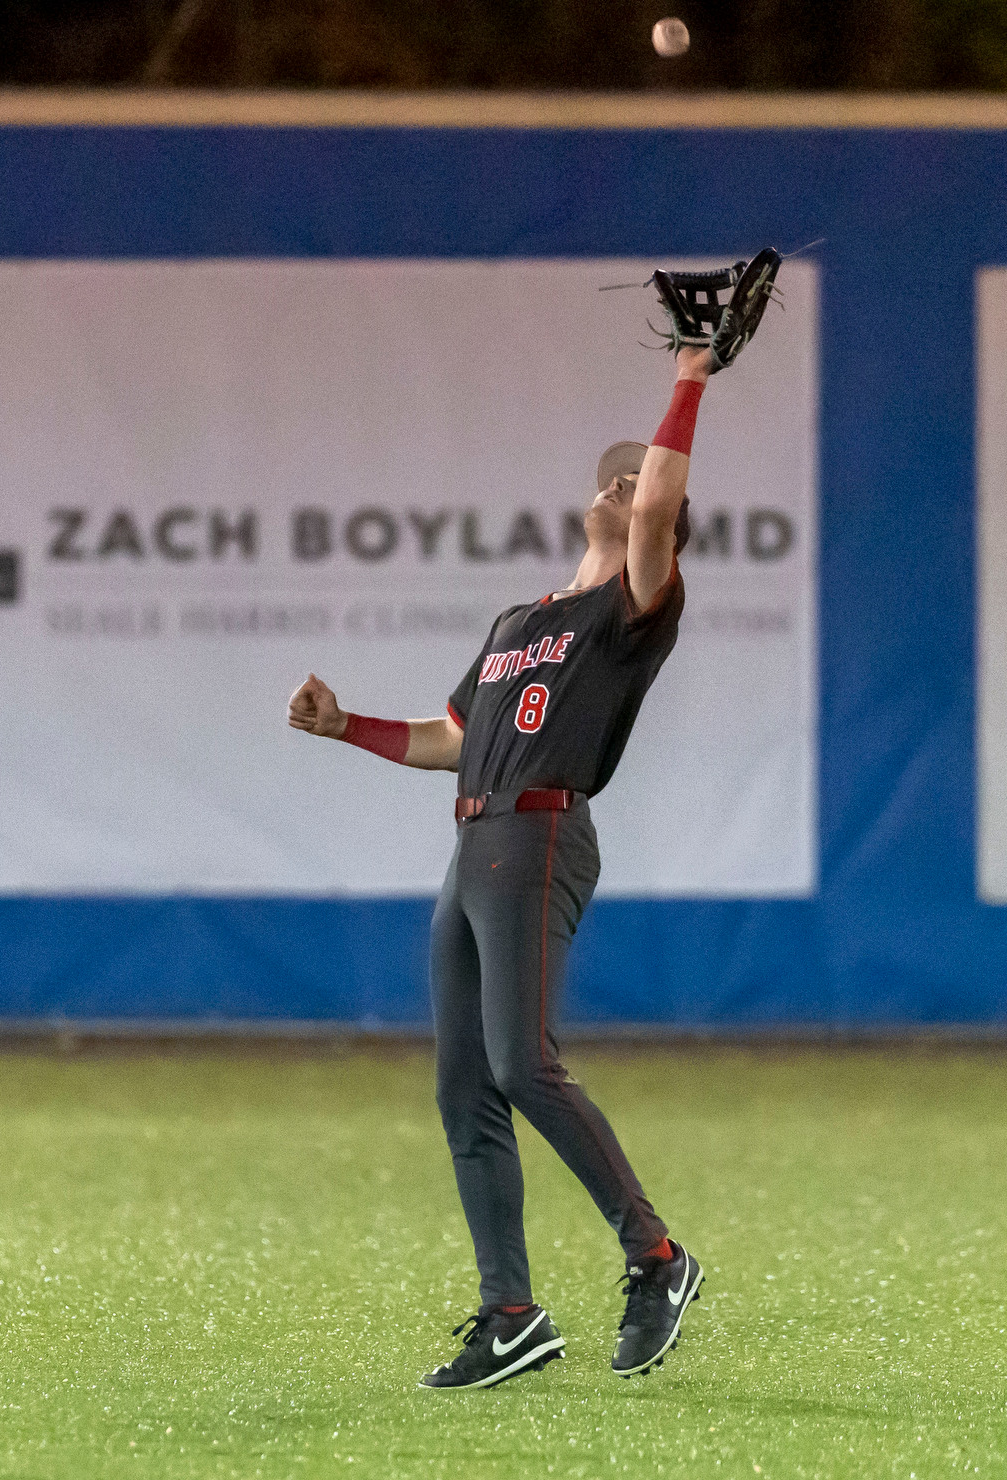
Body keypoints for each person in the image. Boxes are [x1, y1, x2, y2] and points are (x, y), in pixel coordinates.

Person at [288, 347, 715, 1389]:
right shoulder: (519, 624)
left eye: (639, 480)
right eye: (612, 476)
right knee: (464, 1084)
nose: (622, 485)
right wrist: (345, 726)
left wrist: (690, 379)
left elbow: (658, 508)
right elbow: (450, 736)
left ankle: (657, 1257)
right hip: (474, 842)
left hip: (541, 835)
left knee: (524, 1063)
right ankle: (511, 1313)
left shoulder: (633, 604)